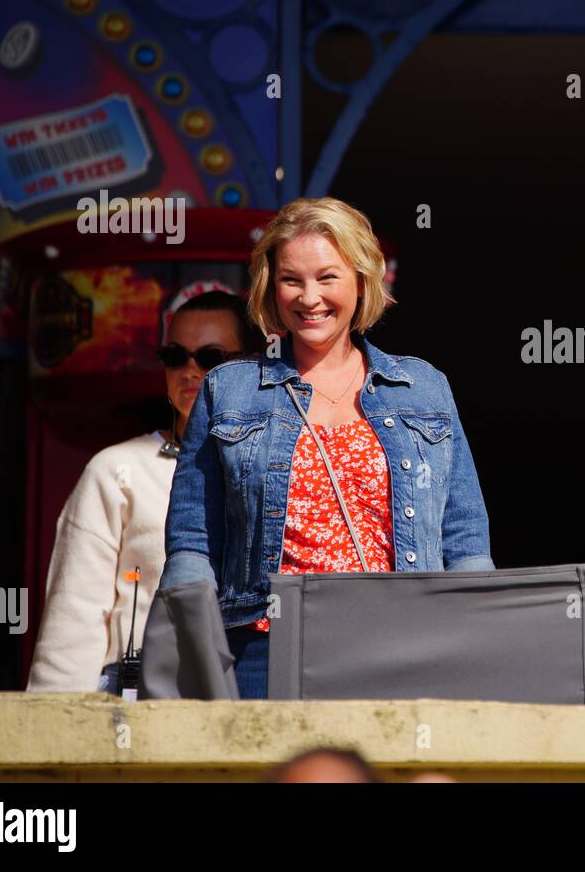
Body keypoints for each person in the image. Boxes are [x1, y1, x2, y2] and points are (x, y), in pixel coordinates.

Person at [160, 197, 493, 699]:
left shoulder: (423, 387)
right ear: (271, 286)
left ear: (362, 280)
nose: (308, 297)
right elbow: (192, 541)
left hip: (406, 648)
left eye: (327, 277)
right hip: (261, 653)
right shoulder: (228, 390)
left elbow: (464, 540)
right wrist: (193, 660)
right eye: (291, 279)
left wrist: (474, 652)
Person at [27, 291, 261, 692]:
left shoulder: (282, 472)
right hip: (140, 700)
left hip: (256, 692)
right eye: (174, 356)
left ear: (252, 365)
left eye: (210, 358)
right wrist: (55, 733)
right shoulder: (116, 470)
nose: (190, 371)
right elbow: (74, 621)